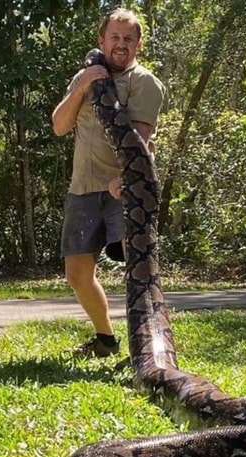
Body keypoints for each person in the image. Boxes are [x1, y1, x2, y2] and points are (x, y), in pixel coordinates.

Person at [52, 8, 166, 358]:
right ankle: (105, 339)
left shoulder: (145, 83)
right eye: (114, 37)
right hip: (83, 188)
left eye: (128, 39)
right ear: (101, 42)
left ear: (139, 45)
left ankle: (146, 345)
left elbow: (140, 140)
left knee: (138, 270)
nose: (121, 44)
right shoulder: (85, 77)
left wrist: (125, 177)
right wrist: (84, 83)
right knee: (77, 272)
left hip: (126, 190)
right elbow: (59, 125)